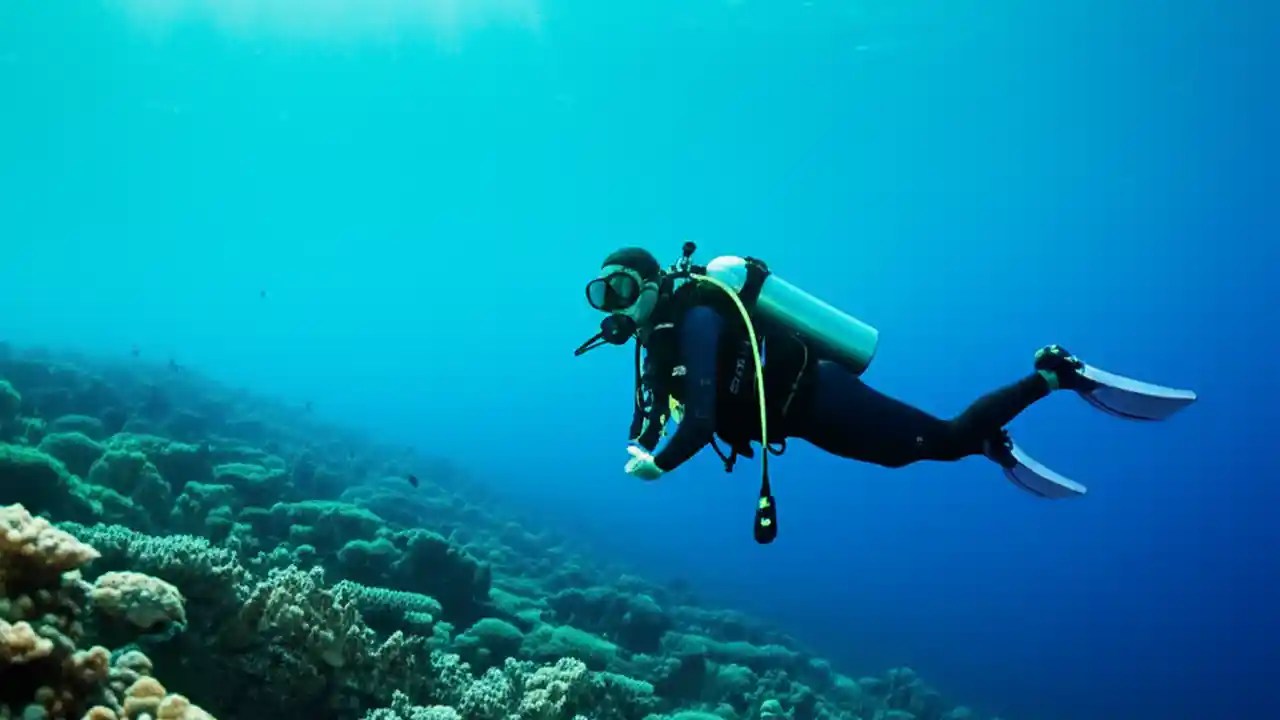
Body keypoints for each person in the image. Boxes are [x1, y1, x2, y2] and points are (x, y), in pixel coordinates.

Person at [573, 244, 1197, 543]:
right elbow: (655, 409)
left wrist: (659, 466)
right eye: (602, 295)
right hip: (802, 421)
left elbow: (704, 416)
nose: (613, 305)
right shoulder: (655, 345)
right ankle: (989, 440)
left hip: (819, 394)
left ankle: (1053, 374)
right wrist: (643, 439)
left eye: (621, 289)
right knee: (905, 454)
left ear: (652, 282)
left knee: (943, 439)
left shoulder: (699, 318)